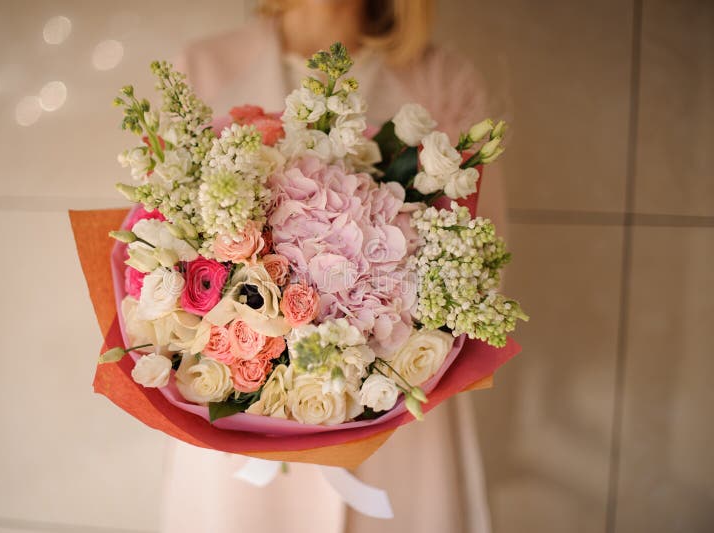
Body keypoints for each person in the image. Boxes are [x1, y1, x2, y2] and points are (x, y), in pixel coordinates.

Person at [161, 1, 507, 531]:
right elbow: (162, 259)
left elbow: (482, 266)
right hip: (238, 427)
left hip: (399, 418)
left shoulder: (440, 78)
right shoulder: (202, 67)